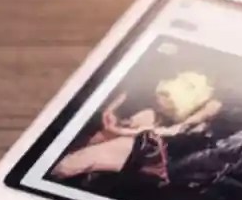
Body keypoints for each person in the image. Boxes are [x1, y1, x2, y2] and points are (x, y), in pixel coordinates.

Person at [50, 71, 223, 183]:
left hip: (158, 145)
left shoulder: (213, 103)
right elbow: (132, 87)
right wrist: (111, 109)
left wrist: (124, 131)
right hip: (145, 124)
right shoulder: (174, 64)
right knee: (88, 144)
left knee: (74, 162)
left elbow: (175, 131)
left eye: (189, 86)